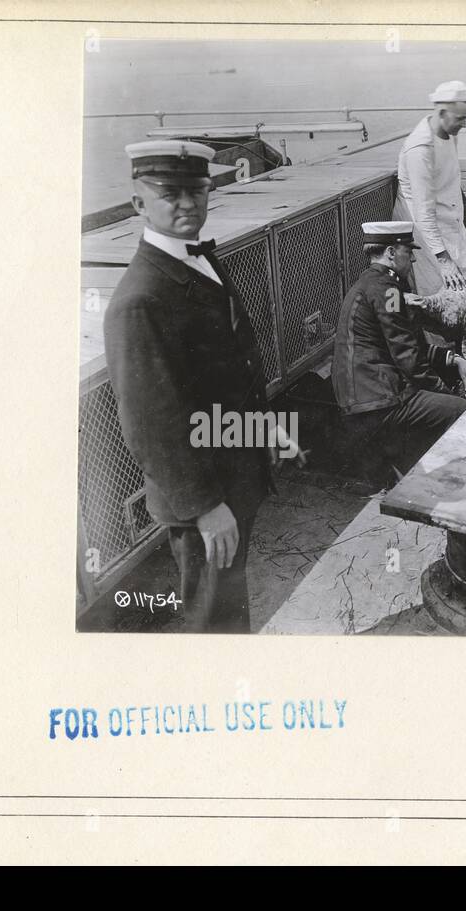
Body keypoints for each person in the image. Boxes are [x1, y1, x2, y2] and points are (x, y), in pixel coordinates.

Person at [103, 140, 300, 633]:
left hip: (231, 470)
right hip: (201, 494)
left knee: (227, 602)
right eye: (170, 193)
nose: (188, 203)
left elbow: (229, 368)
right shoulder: (140, 299)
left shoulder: (196, 261)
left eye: (199, 189)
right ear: (138, 204)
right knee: (211, 617)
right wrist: (206, 508)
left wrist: (263, 429)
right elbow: (150, 424)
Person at [332, 221, 466, 486]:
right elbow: (408, 357)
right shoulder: (388, 290)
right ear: (391, 253)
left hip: (365, 399)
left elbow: (405, 344)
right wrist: (446, 394)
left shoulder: (373, 283)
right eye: (408, 251)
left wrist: (454, 359)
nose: (414, 258)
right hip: (380, 402)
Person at [395, 80, 466, 296]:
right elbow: (423, 213)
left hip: (451, 223)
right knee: (440, 296)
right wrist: (444, 261)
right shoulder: (421, 148)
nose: (464, 125)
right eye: (460, 119)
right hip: (424, 235)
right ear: (442, 113)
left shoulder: (449, 135)